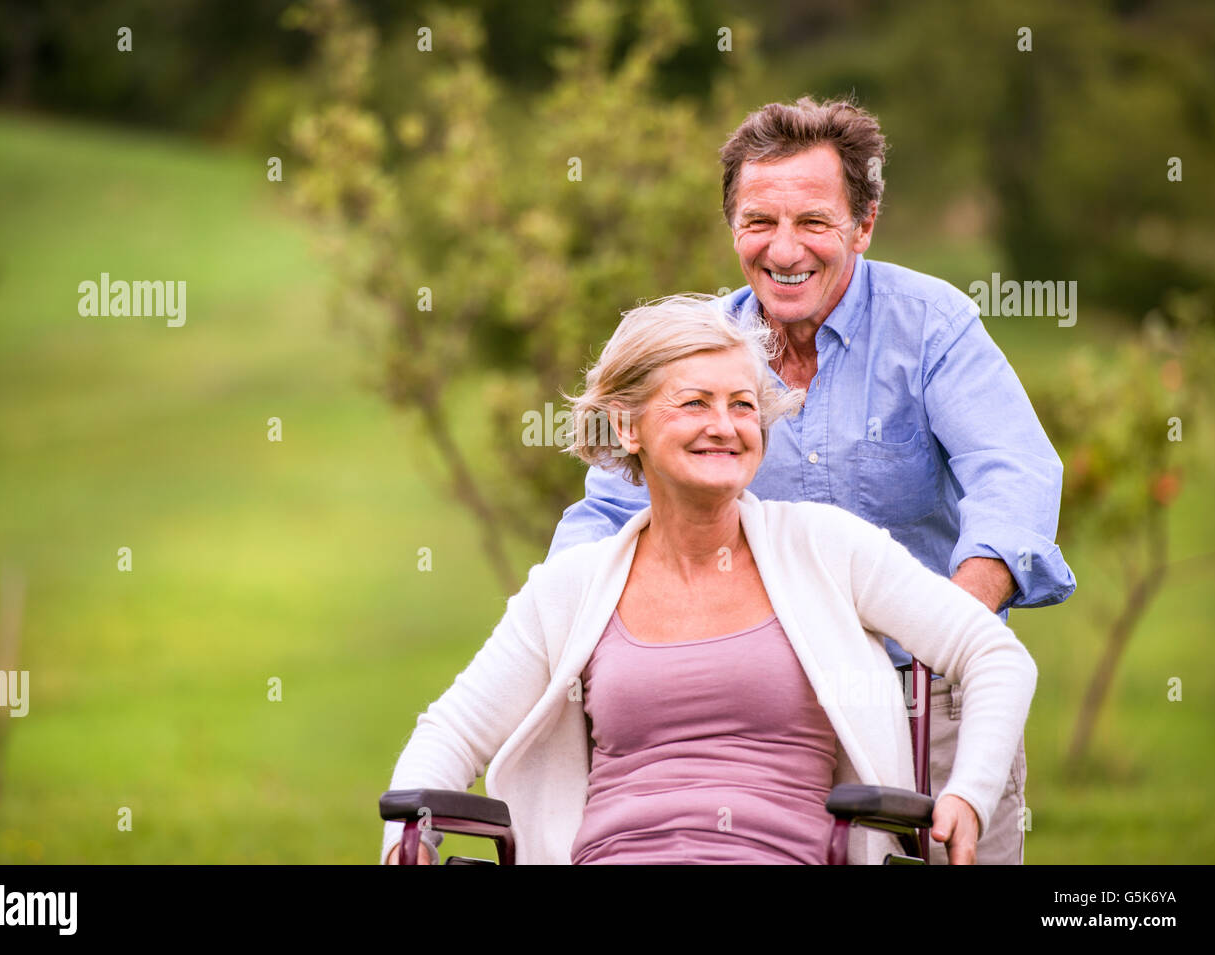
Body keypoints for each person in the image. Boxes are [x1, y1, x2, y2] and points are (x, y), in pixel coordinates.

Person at [547, 98, 1075, 864]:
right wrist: (558, 631)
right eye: (759, 220)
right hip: (771, 712)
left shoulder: (933, 325)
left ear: (863, 226)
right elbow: (608, 516)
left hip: (930, 693)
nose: (784, 249)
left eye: (814, 222)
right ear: (732, 226)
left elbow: (1014, 473)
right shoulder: (702, 355)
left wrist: (953, 623)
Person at [382, 295, 1037, 865]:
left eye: (743, 405)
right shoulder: (572, 586)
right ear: (625, 425)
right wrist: (404, 839)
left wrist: (968, 794)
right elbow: (451, 731)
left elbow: (995, 654)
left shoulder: (825, 546)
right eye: (694, 403)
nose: (724, 426)